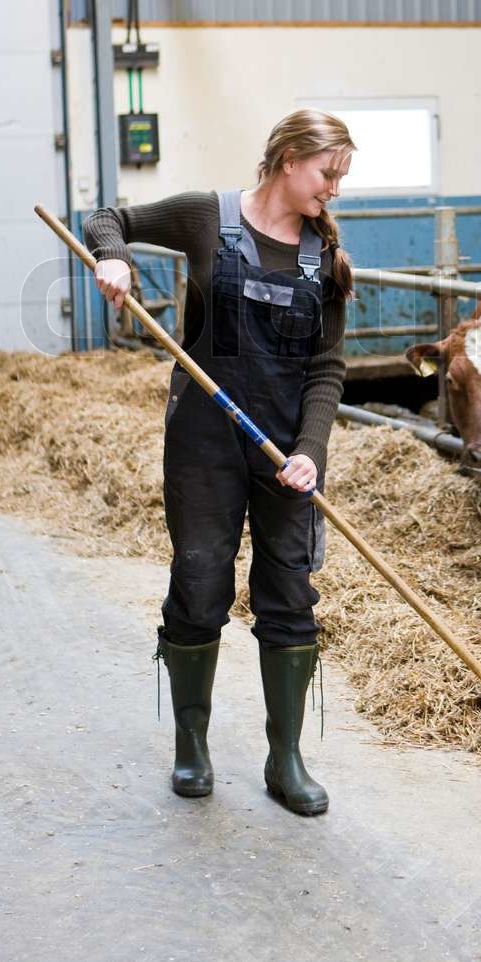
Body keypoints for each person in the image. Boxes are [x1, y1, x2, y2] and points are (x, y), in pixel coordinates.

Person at [84, 109, 356, 816]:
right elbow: (106, 217)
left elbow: (326, 369)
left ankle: (285, 758)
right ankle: (191, 744)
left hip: (283, 456)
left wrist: (310, 453)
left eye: (339, 178)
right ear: (288, 158)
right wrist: (111, 258)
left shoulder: (320, 257)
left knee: (289, 595)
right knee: (201, 580)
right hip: (204, 443)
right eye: (327, 174)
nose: (333, 190)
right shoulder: (208, 218)